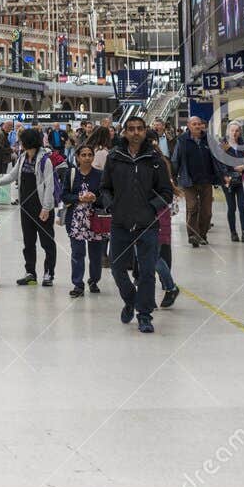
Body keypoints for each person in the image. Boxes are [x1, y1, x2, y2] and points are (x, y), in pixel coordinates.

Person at [99, 115, 174, 333]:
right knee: (117, 268)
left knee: (147, 271)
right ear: (124, 132)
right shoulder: (115, 157)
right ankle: (131, 300)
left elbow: (166, 192)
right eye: (131, 129)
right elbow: (104, 188)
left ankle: (144, 315)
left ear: (144, 131)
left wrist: (151, 208)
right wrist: (111, 206)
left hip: (147, 224)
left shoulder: (155, 159)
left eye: (139, 128)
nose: (135, 132)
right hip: (120, 223)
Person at [0, 127, 57, 286]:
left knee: (47, 242)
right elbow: (13, 175)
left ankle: (49, 273)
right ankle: (30, 273)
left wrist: (46, 208)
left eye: (22, 140)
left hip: (41, 207)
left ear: (28, 142)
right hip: (26, 207)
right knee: (28, 242)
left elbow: (49, 186)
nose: (19, 143)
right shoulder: (23, 157)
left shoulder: (45, 160)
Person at [60, 142, 106, 297]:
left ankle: (94, 280)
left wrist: (95, 198)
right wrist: (79, 198)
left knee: (96, 253)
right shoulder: (71, 174)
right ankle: (78, 284)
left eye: (90, 155)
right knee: (77, 253)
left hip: (95, 219)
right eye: (83, 155)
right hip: (76, 220)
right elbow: (64, 195)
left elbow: (106, 197)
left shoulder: (100, 175)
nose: (87, 158)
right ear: (77, 157)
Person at [171, 115, 218, 247]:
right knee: (192, 208)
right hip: (189, 181)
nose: (197, 126)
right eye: (194, 124)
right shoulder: (182, 140)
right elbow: (175, 160)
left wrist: (222, 175)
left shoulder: (208, 140)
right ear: (189, 126)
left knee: (207, 212)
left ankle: (202, 235)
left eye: (198, 124)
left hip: (206, 181)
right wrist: (173, 179)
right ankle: (192, 236)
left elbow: (217, 158)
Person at [220, 122, 244, 242]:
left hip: (241, 180)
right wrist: (227, 173)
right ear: (228, 131)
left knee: (243, 206)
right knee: (231, 207)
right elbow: (219, 163)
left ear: (240, 132)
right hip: (228, 180)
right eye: (232, 130)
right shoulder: (222, 145)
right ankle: (233, 232)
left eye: (237, 131)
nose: (234, 133)